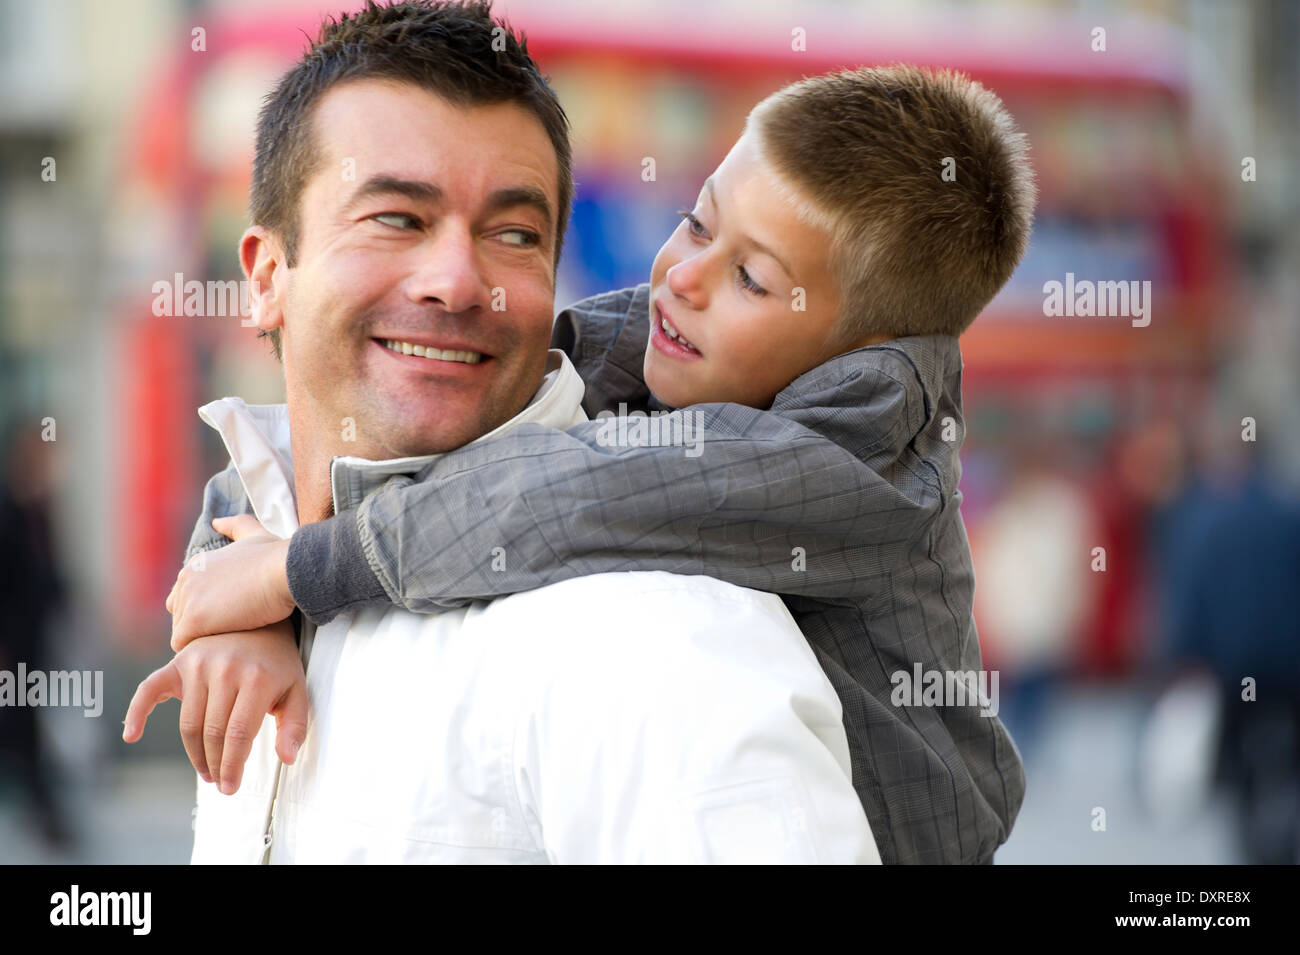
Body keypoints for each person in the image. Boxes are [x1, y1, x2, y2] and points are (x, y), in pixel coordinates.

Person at [157, 46, 1035, 863]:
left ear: (852, 352)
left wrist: (301, 571)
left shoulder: (682, 615)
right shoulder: (662, 361)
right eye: (696, 224)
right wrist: (242, 598)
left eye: (754, 279)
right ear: (266, 273)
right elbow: (294, 470)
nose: (682, 276)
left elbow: (567, 497)